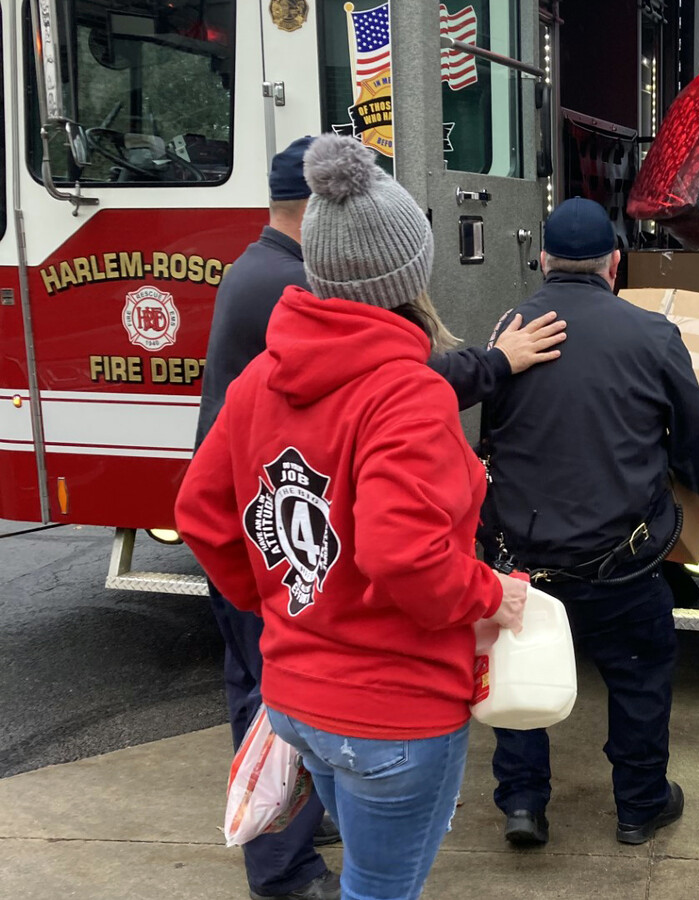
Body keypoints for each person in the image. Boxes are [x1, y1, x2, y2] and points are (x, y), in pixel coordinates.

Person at [195, 136, 563, 900]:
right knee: (380, 889)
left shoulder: (264, 375)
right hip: (391, 713)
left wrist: (283, 603)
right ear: (409, 272)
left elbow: (203, 514)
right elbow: (407, 557)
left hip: (296, 698)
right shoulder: (408, 392)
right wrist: (493, 593)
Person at [479, 197, 699, 847]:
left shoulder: (508, 333)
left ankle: (521, 803)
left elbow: (490, 441)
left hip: (524, 553)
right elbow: (695, 440)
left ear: (542, 260)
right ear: (615, 265)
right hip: (618, 561)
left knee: (518, 664)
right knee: (639, 673)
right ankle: (640, 805)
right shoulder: (651, 334)